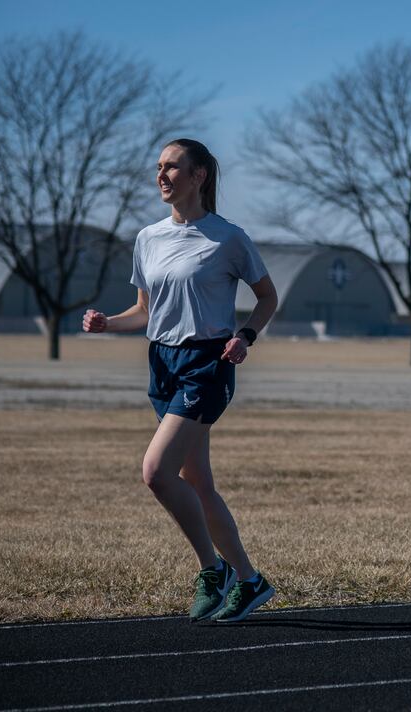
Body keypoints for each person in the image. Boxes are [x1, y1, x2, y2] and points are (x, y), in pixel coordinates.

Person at [83, 138, 279, 623]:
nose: (162, 176)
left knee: (155, 472)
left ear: (199, 176)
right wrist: (109, 322)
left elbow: (267, 297)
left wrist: (246, 336)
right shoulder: (148, 238)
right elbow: (144, 313)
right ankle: (250, 581)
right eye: (159, 167)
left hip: (207, 364)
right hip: (162, 363)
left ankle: (213, 571)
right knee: (199, 484)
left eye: (172, 167)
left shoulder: (228, 238)